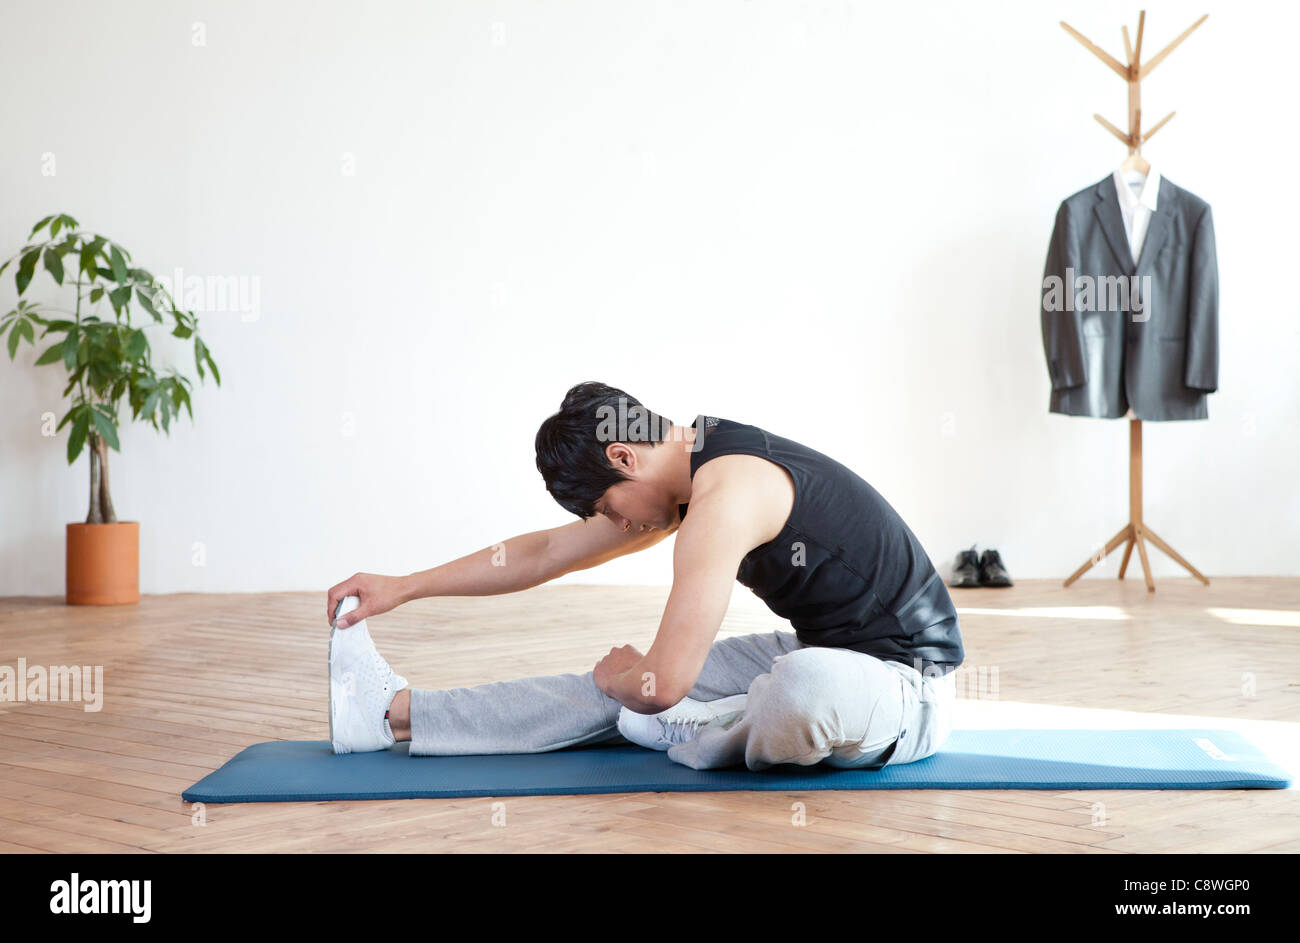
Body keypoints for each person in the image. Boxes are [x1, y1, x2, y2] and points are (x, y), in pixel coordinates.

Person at [325, 381, 963, 771]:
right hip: (827, 649)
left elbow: (660, 684)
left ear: (623, 456)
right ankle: (390, 716)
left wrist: (638, 682)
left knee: (791, 685)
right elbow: (544, 551)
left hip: (909, 689)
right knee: (622, 690)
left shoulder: (725, 496)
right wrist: (404, 586)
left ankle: (706, 725)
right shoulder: (684, 470)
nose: (616, 525)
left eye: (605, 508)